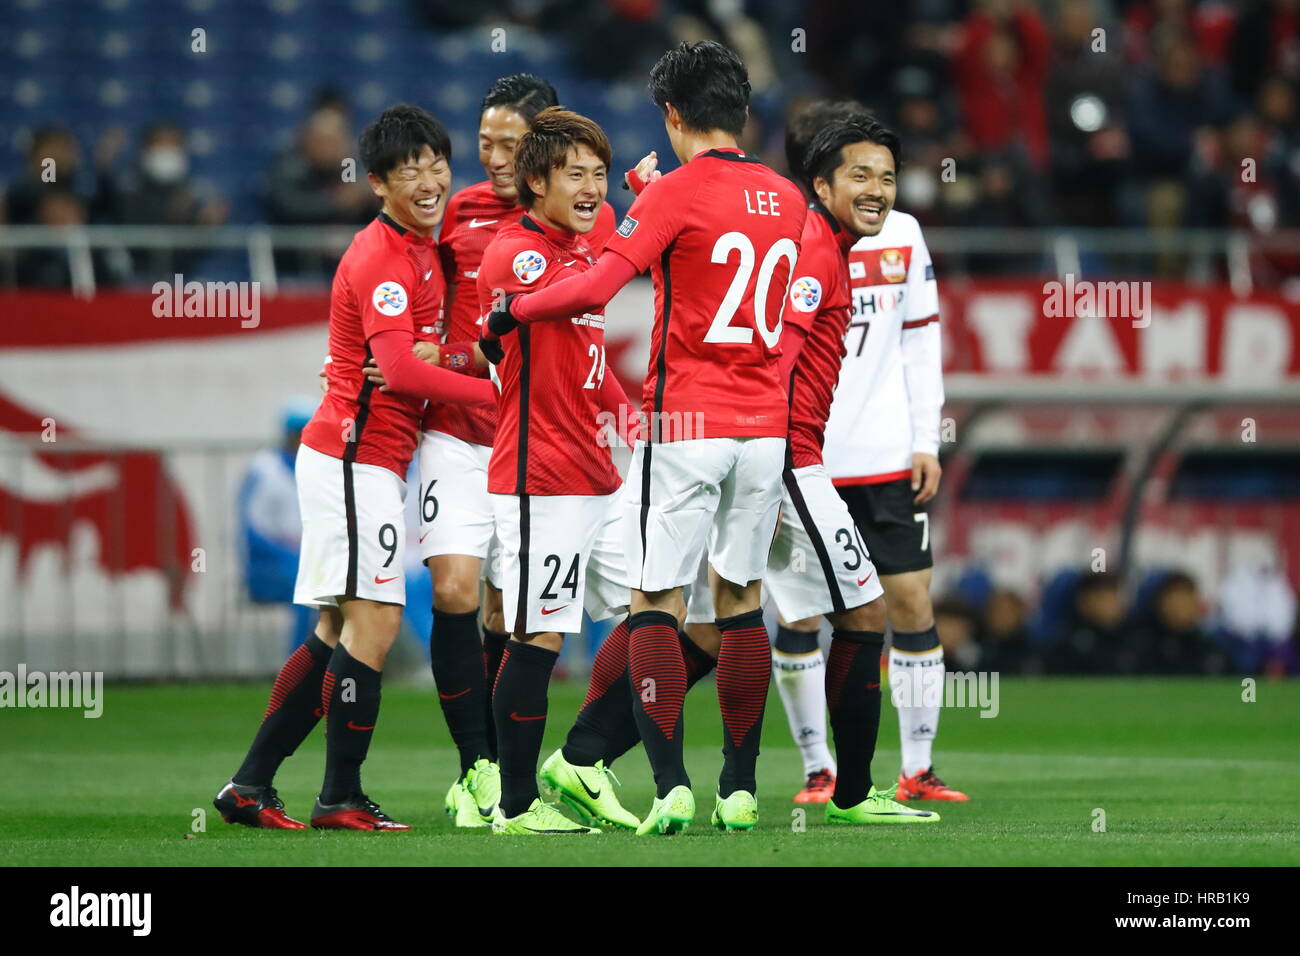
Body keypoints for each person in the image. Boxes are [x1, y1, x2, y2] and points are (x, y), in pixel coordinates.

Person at [494, 41, 807, 834]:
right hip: (764, 425)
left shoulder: (676, 194)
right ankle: (740, 787)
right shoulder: (789, 198)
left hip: (687, 422)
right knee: (741, 604)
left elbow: (598, 282)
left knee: (655, 602)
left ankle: (670, 783)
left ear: (671, 115)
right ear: (741, 111)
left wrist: (512, 313)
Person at [213, 104, 496, 831]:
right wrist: (499, 390)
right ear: (377, 183)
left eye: (436, 163)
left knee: (338, 629)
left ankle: (249, 785)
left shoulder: (425, 250)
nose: (429, 179)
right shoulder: (383, 258)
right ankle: (339, 795)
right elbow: (399, 370)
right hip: (352, 457)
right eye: (410, 170)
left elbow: (402, 359)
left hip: (365, 460)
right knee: (374, 620)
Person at [415, 74, 618, 829]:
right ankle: (486, 774)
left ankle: (540, 769)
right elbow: (426, 301)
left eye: (511, 143)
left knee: (521, 609)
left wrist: (623, 412)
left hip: (557, 444)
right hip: (479, 438)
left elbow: (589, 329)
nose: (493, 158)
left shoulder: (589, 225)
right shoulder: (463, 218)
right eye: (486, 143)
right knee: (460, 593)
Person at [474, 107, 640, 834]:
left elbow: (592, 361)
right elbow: (599, 288)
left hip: (596, 473)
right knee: (539, 634)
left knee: (660, 612)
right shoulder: (522, 254)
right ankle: (513, 807)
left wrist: (631, 417)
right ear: (534, 181)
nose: (592, 189)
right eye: (575, 174)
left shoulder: (582, 250)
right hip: (540, 476)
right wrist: (645, 215)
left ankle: (581, 758)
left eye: (600, 175)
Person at [820, 98, 969, 804]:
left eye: (887, 174)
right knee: (800, 615)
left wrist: (923, 437)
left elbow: (919, 342)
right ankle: (822, 769)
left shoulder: (905, 237)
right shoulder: (800, 238)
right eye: (861, 173)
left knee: (909, 599)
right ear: (825, 181)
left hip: (884, 456)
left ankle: (917, 766)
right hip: (808, 457)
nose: (878, 188)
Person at [237, 401, 315, 652]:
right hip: (267, 569)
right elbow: (251, 533)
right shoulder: (264, 469)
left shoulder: (318, 468)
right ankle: (297, 665)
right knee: (307, 587)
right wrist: (294, 554)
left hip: (306, 563)